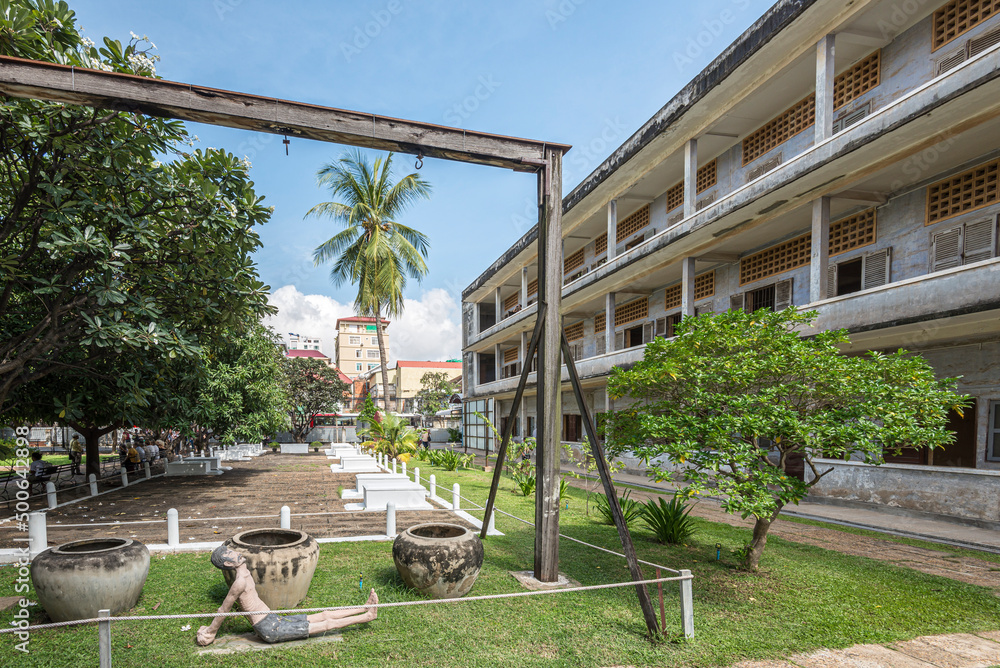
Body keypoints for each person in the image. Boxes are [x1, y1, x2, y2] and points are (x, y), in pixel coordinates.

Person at [196, 546, 378, 646]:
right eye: (231, 554)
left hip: (272, 619)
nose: (236, 553)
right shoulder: (239, 583)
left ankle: (364, 607)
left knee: (323, 615)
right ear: (229, 563)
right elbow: (224, 609)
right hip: (269, 629)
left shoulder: (245, 573)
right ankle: (367, 616)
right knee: (325, 624)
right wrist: (210, 631)